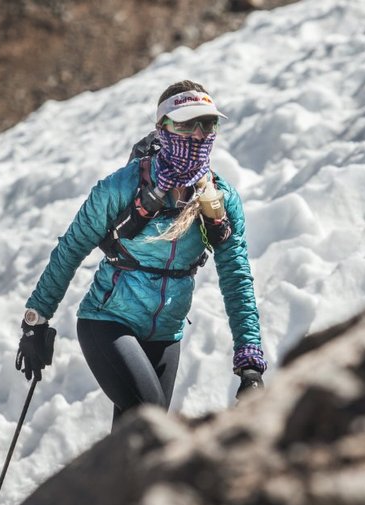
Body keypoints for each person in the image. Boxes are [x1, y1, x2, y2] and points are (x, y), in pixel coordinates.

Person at [15, 80, 266, 427]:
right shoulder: (119, 188)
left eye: (208, 124)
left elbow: (236, 277)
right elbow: (71, 248)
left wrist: (250, 360)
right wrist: (35, 322)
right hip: (107, 322)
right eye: (186, 124)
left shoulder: (220, 200)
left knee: (137, 443)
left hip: (166, 334)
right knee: (151, 421)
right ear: (162, 128)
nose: (198, 134)